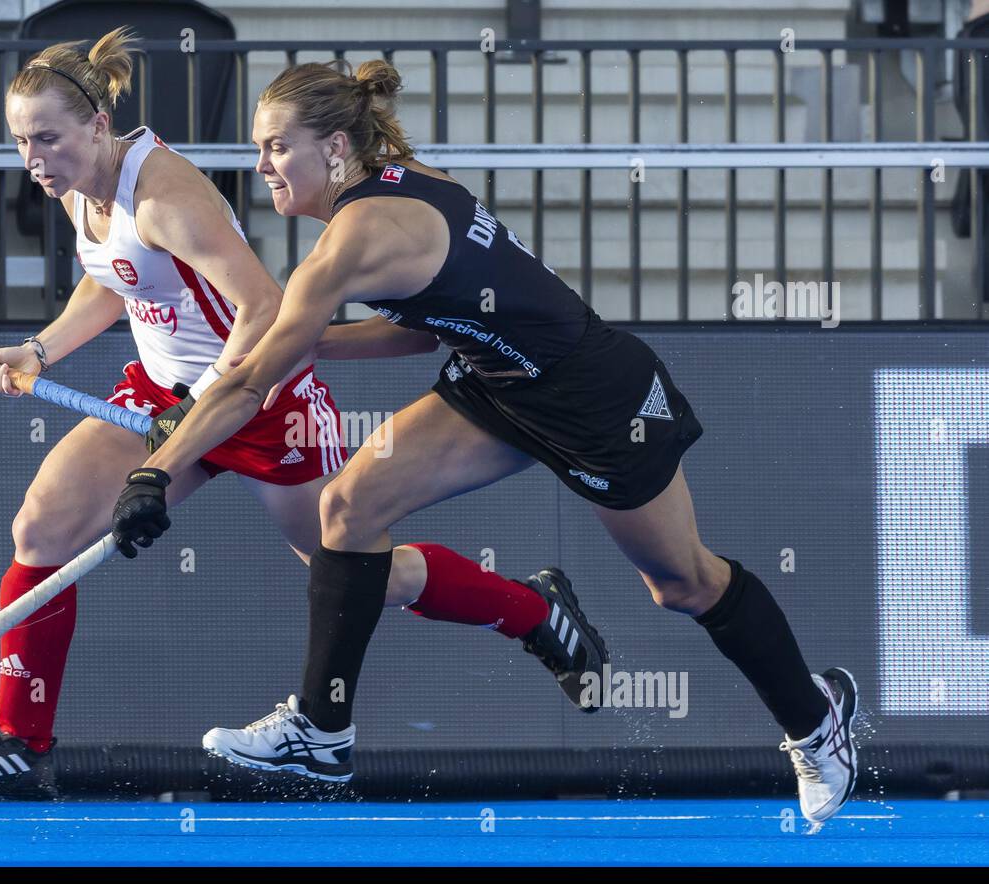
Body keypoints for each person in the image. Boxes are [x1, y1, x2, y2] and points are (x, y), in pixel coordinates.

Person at [111, 58, 859, 829]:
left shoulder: (348, 244)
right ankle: (321, 730)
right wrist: (302, 345)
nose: (260, 164)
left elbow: (245, 386)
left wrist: (155, 474)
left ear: (335, 147)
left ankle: (816, 720)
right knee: (348, 507)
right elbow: (413, 338)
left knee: (683, 585)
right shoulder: (398, 182)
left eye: (275, 146)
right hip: (495, 386)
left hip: (593, 398)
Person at [0, 32, 595, 798]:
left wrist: (202, 413)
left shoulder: (164, 194)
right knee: (41, 528)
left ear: (99, 127)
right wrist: (41, 349)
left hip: (263, 398)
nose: (33, 158)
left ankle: (531, 608)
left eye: (48, 139)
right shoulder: (80, 187)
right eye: (20, 142)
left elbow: (264, 307)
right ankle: (21, 745)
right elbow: (116, 279)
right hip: (164, 391)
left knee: (354, 569)